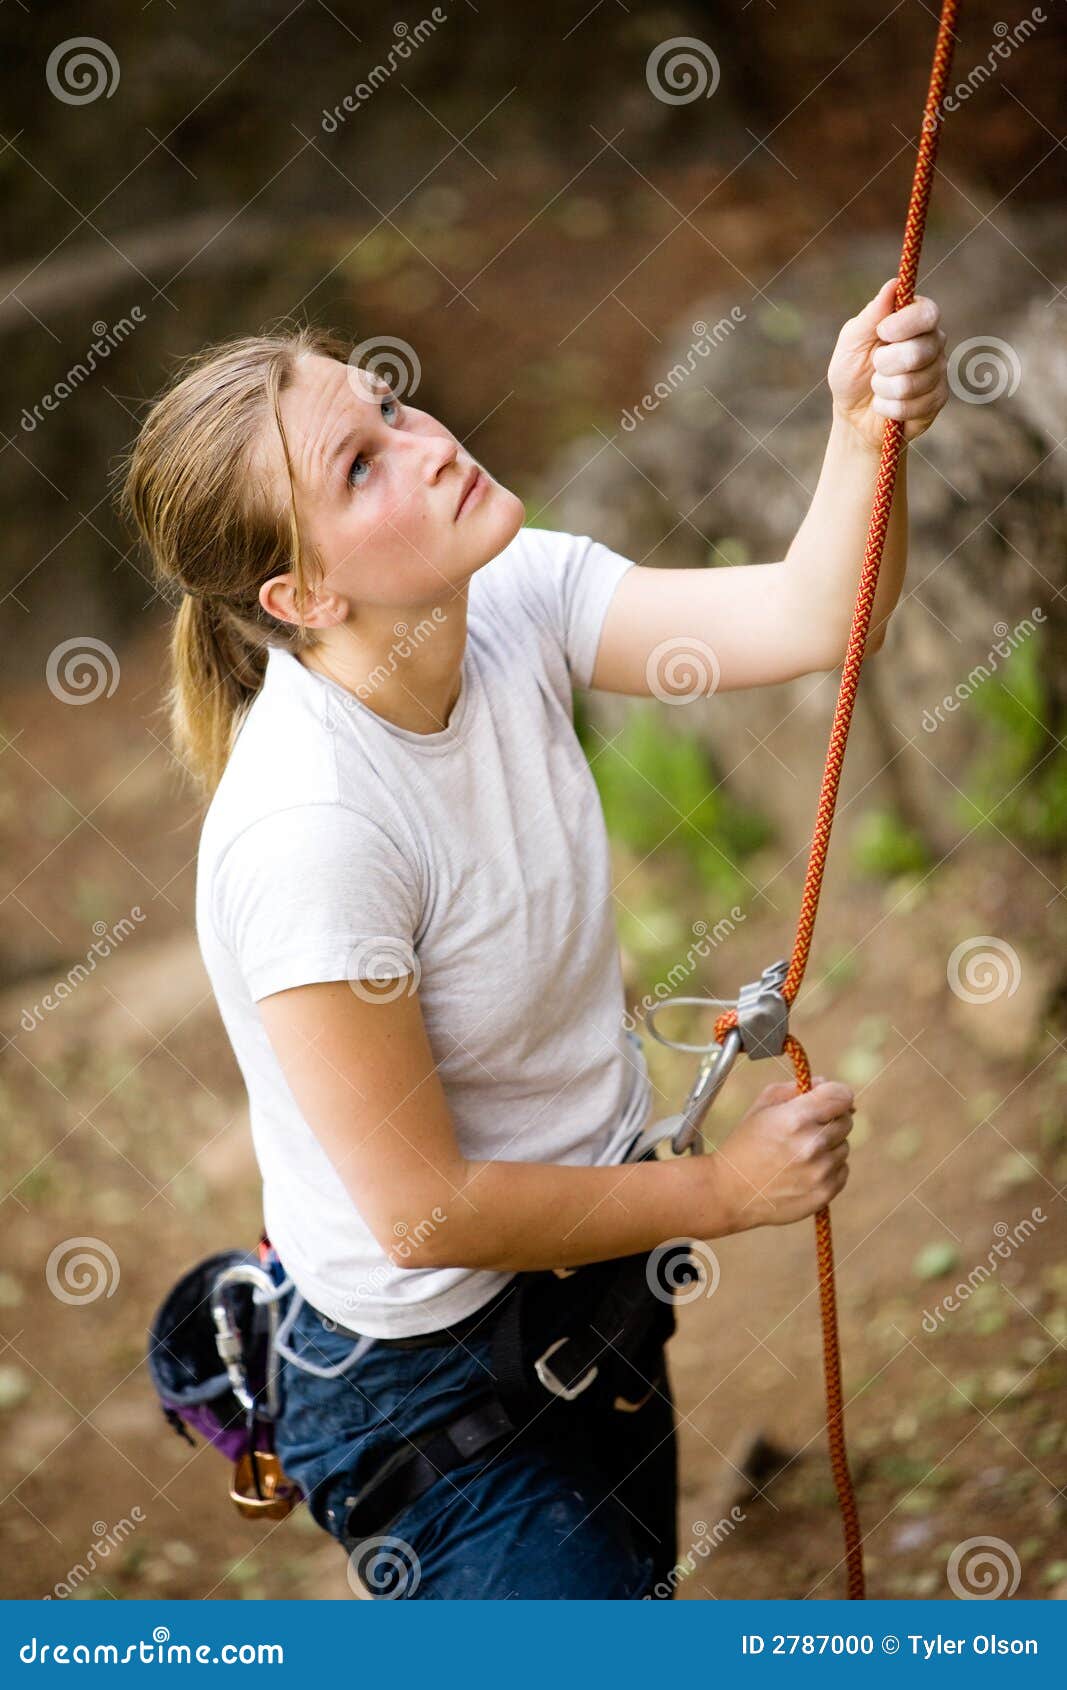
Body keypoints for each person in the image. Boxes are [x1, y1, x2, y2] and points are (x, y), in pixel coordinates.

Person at [117, 283, 947, 1598]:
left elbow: (821, 618)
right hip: (424, 1395)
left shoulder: (514, 596)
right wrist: (725, 1194)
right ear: (304, 590)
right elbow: (422, 1208)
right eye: (362, 463)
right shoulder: (315, 829)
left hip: (591, 1300)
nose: (430, 439)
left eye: (390, 407)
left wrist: (862, 428)